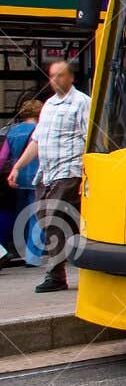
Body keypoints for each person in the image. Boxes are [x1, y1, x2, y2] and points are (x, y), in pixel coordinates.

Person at [8, 62, 90, 293]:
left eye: (60, 75)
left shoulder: (81, 102)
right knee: (49, 222)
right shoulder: (49, 106)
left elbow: (90, 137)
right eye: (52, 76)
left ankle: (56, 276)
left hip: (69, 172)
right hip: (46, 174)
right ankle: (84, 260)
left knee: (55, 220)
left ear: (71, 77)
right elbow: (37, 141)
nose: (54, 80)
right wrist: (18, 167)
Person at [0, 101, 44, 266]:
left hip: (17, 179)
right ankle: (33, 257)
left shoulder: (12, 131)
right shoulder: (39, 130)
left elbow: (3, 157)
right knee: (36, 217)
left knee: (21, 215)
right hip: (36, 178)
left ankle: (22, 249)